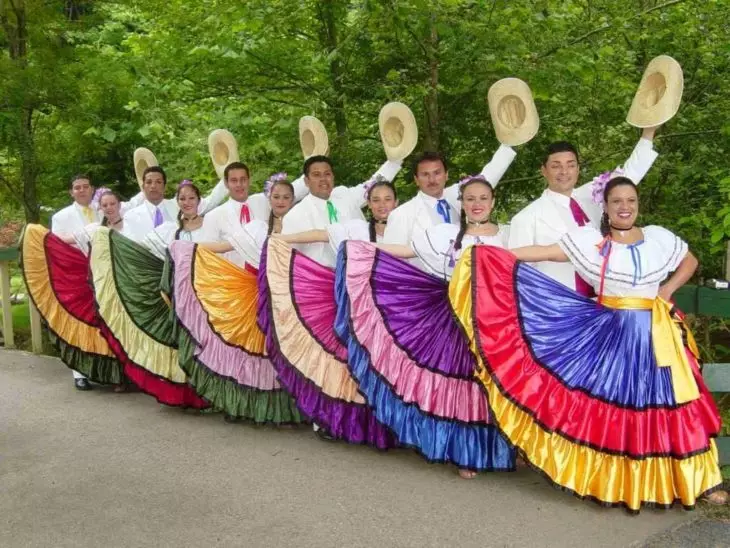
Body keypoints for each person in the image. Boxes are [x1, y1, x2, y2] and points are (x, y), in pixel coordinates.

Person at [449, 176, 727, 510]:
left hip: (657, 335)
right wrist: (492, 254)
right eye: (617, 202)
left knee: (677, 405)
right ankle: (619, 480)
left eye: (630, 201)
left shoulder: (658, 238)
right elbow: (543, 252)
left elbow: (690, 261)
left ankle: (701, 480)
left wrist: (667, 291)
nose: (625, 207)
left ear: (638, 204)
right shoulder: (592, 245)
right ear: (606, 208)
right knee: (614, 409)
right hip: (612, 334)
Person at [334, 175, 515, 478]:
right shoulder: (444, 235)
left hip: (495, 318)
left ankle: (502, 445)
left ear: (493, 201)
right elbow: (407, 251)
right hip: (453, 317)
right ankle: (465, 452)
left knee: (493, 382)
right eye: (470, 198)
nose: (477, 204)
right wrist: (362, 249)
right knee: (462, 383)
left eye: (483, 198)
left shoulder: (507, 236)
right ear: (462, 203)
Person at [507, 126, 659, 294]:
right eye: (556, 166)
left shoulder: (594, 194)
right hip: (558, 307)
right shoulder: (526, 218)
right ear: (544, 170)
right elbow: (518, 274)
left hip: (602, 299)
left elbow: (629, 175)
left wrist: (648, 133)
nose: (564, 172)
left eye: (570, 165)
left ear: (578, 168)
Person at [51, 175, 143, 390]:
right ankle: (80, 372)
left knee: (111, 323)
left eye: (85, 187)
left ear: (92, 189)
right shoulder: (61, 216)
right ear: (71, 192)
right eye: (77, 187)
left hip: (108, 275)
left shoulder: (105, 209)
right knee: (81, 322)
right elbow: (58, 246)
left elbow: (137, 202)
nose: (82, 190)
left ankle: (115, 372)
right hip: (78, 275)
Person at [382, 145, 515, 254]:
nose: (432, 180)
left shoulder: (460, 194)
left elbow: (487, 177)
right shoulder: (401, 214)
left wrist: (509, 144)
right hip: (424, 284)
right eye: (425, 175)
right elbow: (390, 261)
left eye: (437, 173)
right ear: (416, 179)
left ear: (446, 175)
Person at [281, 155, 401, 267]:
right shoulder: (295, 215)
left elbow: (372, 184)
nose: (323, 179)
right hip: (322, 281)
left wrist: (395, 161)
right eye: (316, 175)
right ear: (306, 181)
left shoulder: (344, 194)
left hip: (363, 271)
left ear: (333, 176)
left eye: (327, 174)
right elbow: (286, 257)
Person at [199, 163, 308, 267]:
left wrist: (312, 165)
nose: (239, 185)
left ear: (249, 180)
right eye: (234, 180)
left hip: (268, 273)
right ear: (226, 184)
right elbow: (206, 253)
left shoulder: (265, 200)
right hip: (235, 278)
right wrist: (236, 244)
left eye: (243, 180)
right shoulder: (213, 216)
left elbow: (292, 191)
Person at [273, 175, 397, 251]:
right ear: (369, 203)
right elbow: (321, 235)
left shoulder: (408, 227)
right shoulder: (358, 228)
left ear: (396, 202)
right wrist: (283, 238)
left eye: (387, 199)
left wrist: (394, 162)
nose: (382, 205)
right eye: (376, 200)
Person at [122, 166, 227, 242]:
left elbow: (211, 200)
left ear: (165, 186)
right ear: (143, 186)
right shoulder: (130, 217)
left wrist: (229, 176)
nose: (153, 186)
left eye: (158, 182)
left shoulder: (181, 205)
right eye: (149, 182)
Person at [142, 181, 207, 260]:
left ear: (199, 200)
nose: (187, 202)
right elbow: (143, 246)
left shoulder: (209, 224)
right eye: (182, 199)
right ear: (177, 202)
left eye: (191, 198)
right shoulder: (170, 229)